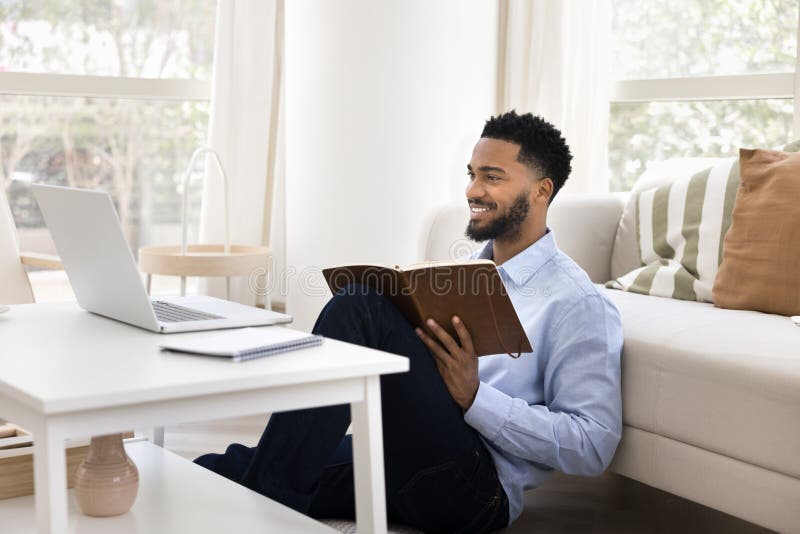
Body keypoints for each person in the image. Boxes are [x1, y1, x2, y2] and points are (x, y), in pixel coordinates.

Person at [194, 110, 623, 533]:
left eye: (492, 177)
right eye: (471, 174)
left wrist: (475, 397)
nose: (473, 190)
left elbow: (593, 445)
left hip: (477, 490)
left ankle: (266, 521)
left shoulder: (577, 302)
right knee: (223, 470)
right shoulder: (463, 277)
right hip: (410, 455)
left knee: (360, 304)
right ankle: (252, 499)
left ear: (541, 190)